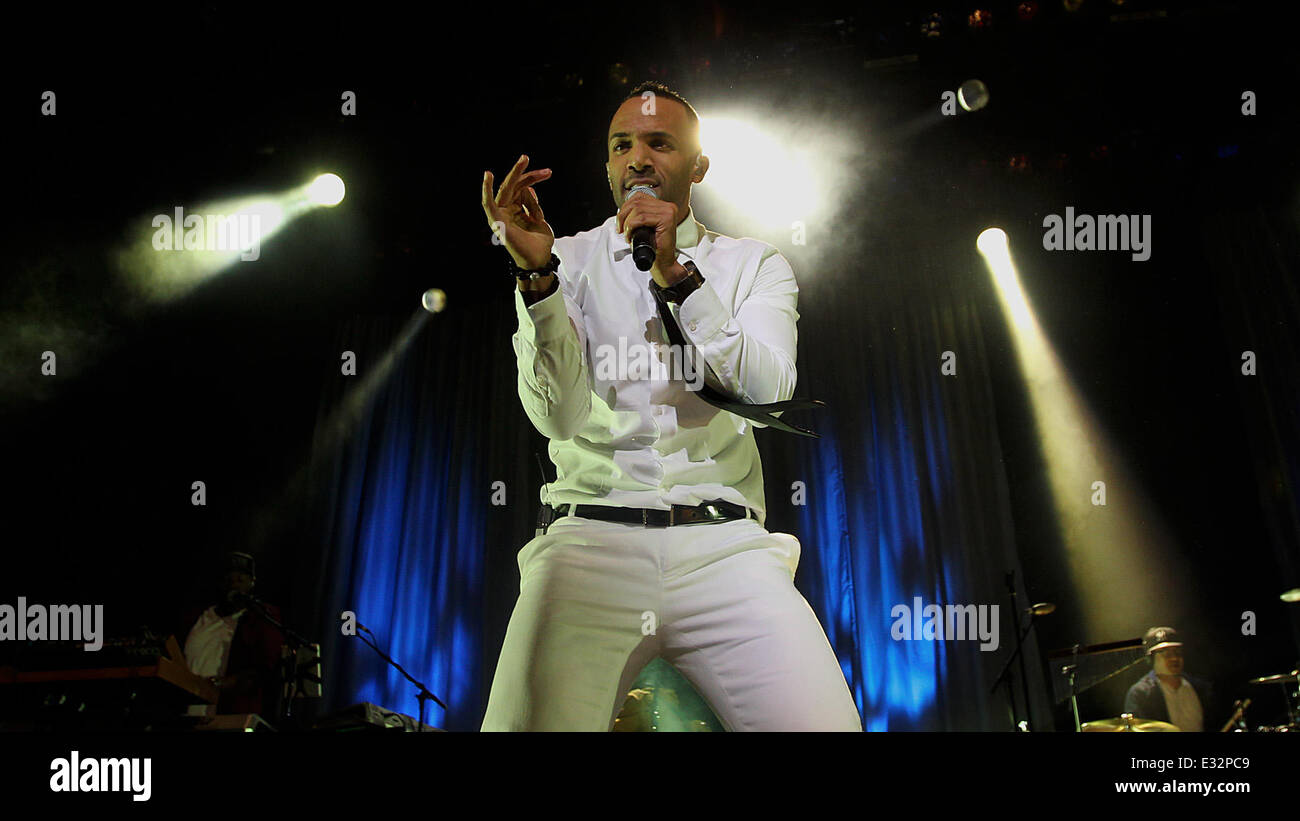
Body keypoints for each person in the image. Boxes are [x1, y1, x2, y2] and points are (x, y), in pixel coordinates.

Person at [478, 80, 861, 731]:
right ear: (606, 166)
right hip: (588, 542)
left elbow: (766, 391)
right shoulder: (561, 260)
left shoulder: (753, 265)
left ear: (698, 165)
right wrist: (537, 283)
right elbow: (558, 418)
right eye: (622, 144)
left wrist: (680, 276)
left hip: (724, 546)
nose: (638, 157)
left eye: (660, 142)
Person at [179, 551, 284, 718]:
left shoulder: (260, 620)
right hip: (185, 714)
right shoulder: (197, 617)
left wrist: (220, 684)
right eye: (228, 579)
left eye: (241, 579)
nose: (234, 584)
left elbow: (264, 670)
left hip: (228, 716)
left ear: (252, 583)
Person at [1123, 626, 1214, 731]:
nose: (1174, 658)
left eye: (1177, 652)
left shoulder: (1201, 688)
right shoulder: (1140, 694)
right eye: (1166, 653)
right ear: (1151, 658)